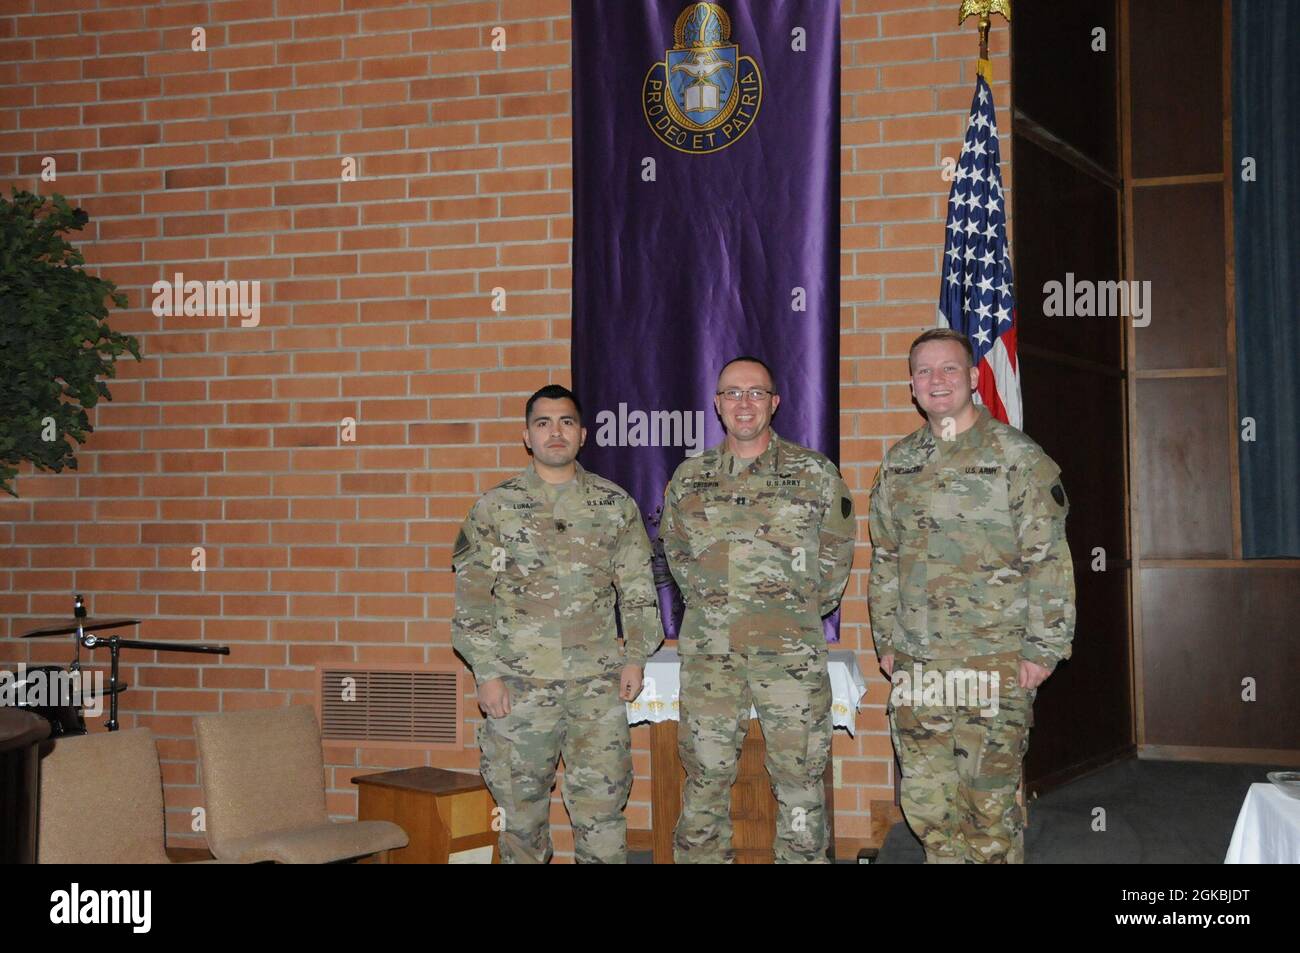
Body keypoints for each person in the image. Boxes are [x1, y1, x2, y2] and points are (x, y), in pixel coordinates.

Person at [868, 328, 1076, 863]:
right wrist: (887, 642)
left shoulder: (1017, 458)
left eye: (948, 369)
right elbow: (886, 558)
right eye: (924, 371)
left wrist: (1042, 650)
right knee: (928, 807)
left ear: (972, 377)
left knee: (988, 813)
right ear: (912, 385)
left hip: (996, 662)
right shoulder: (899, 463)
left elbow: (1048, 558)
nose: (936, 380)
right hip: (919, 665)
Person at [452, 384, 664, 863]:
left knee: (603, 814)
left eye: (566, 422)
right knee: (520, 820)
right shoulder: (495, 508)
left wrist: (635, 657)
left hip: (597, 688)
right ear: (526, 436)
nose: (555, 432)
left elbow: (636, 589)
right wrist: (486, 673)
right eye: (543, 423)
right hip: (519, 690)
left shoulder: (614, 506)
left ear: (582, 434)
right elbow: (471, 600)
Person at [661, 356, 856, 863]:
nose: (743, 403)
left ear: (774, 402)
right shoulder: (690, 479)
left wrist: (792, 613)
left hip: (789, 653)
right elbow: (677, 557)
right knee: (704, 777)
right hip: (711, 655)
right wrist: (717, 609)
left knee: (799, 778)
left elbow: (835, 556)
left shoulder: (814, 474)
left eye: (754, 393)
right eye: (731, 393)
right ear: (718, 405)